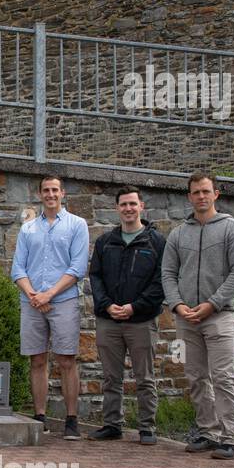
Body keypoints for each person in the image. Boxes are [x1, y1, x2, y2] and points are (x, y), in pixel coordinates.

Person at [161, 171, 234, 460]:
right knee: (196, 376)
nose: (201, 196)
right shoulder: (178, 233)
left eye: (206, 191)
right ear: (189, 196)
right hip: (186, 317)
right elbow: (168, 273)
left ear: (216, 194)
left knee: (223, 376)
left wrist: (212, 303)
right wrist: (177, 305)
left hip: (220, 314)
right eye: (196, 192)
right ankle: (208, 433)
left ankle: (231, 438)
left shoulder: (232, 229)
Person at [10, 175, 90, 440]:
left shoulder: (77, 225)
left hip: (63, 301)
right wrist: (34, 295)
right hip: (31, 302)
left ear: (63, 193)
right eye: (46, 190)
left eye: (55, 190)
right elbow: (18, 268)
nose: (51, 194)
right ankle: (40, 416)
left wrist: (49, 294)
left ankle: (71, 420)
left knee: (66, 360)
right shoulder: (28, 228)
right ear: (40, 194)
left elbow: (77, 268)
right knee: (37, 360)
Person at [87, 186, 166, 445]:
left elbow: (160, 281)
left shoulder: (156, 242)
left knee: (144, 377)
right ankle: (112, 424)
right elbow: (95, 277)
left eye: (133, 204)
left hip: (141, 320)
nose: (128, 209)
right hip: (108, 320)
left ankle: (147, 427)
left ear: (142, 206)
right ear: (116, 208)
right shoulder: (105, 242)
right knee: (112, 377)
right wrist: (107, 304)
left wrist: (135, 307)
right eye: (123, 204)